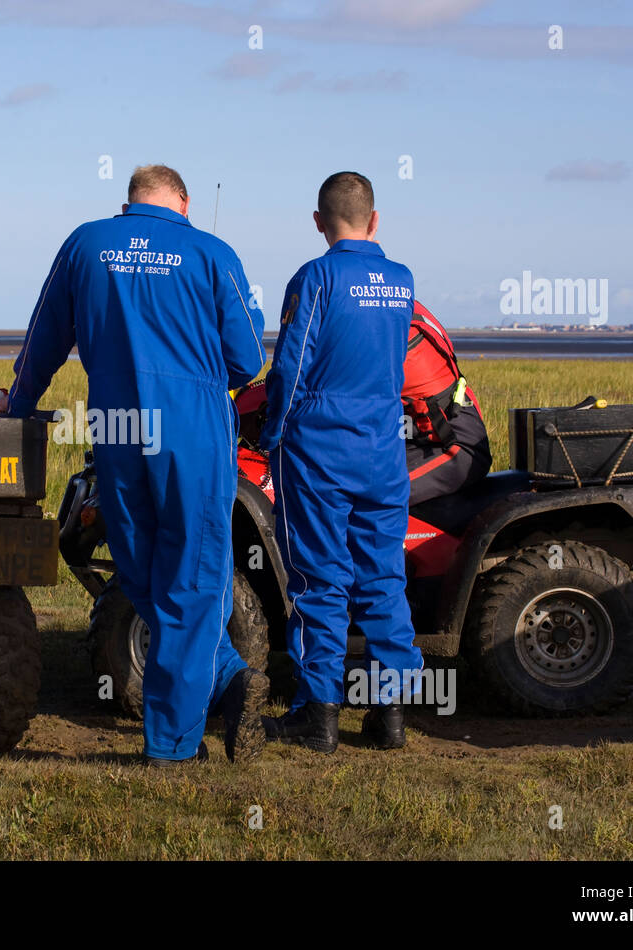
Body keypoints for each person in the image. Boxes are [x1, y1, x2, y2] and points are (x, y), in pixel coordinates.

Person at [3, 165, 269, 766]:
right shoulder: (211, 251)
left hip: (118, 425)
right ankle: (177, 741)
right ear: (183, 202)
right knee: (195, 576)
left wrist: (16, 408)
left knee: (140, 566)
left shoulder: (86, 242)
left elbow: (44, 337)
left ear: (130, 201)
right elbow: (248, 355)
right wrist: (197, 383)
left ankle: (224, 678)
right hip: (193, 426)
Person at [259, 171, 424, 754]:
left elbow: (292, 365)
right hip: (382, 451)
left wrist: (273, 434)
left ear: (318, 222)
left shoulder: (315, 277)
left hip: (319, 450)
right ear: (375, 220)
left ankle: (318, 714)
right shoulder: (401, 282)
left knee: (318, 580)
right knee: (383, 578)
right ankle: (390, 717)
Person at [403, 301, 491, 505]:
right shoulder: (403, 305)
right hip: (427, 439)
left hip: (454, 448)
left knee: (365, 497)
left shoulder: (388, 332)